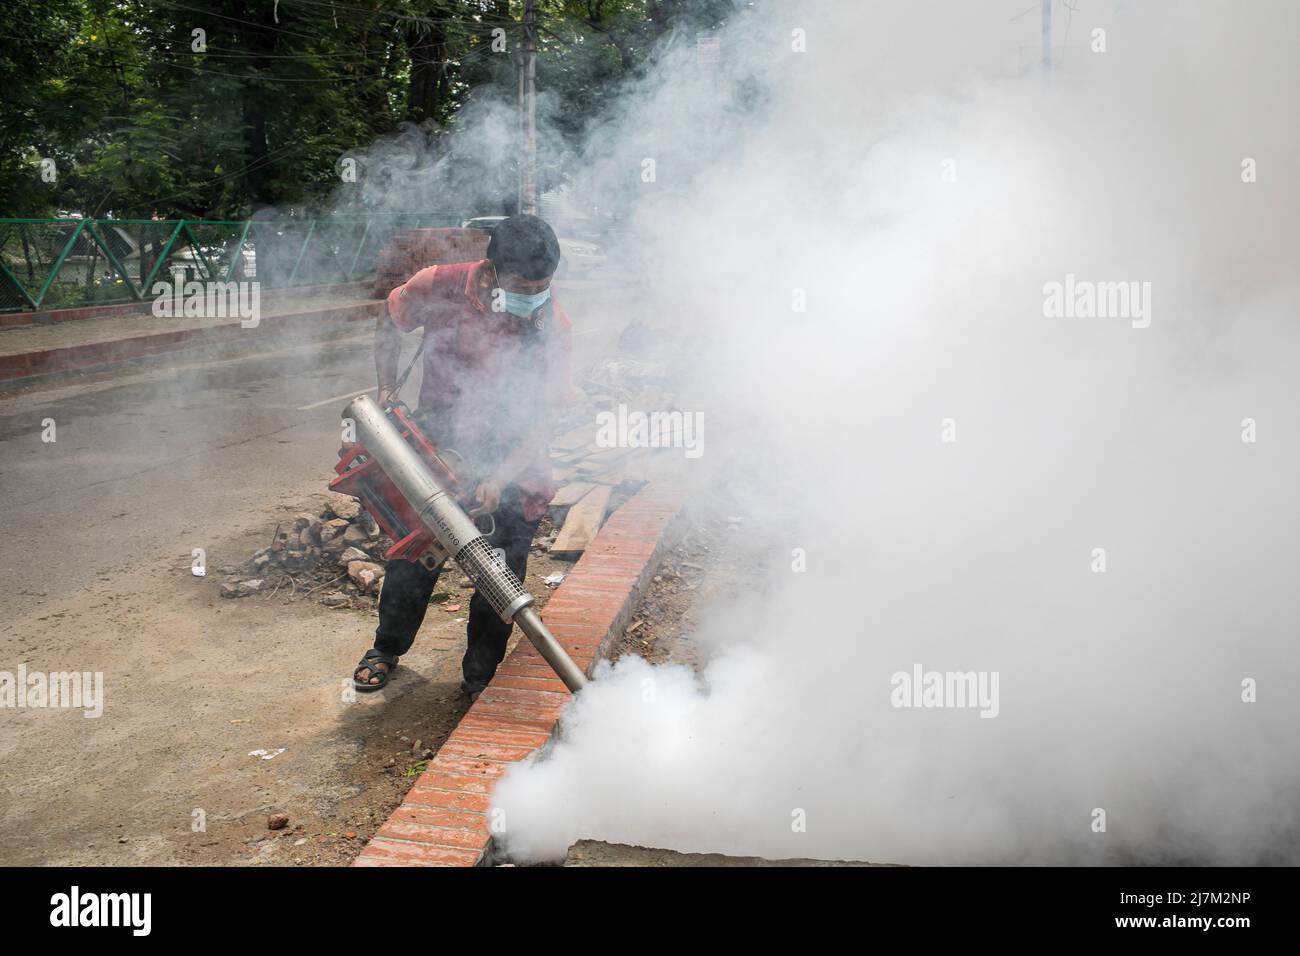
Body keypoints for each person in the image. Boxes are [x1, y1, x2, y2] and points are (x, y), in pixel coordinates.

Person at [351, 214, 571, 699]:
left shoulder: (551, 323)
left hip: (512, 451)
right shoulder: (441, 284)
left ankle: (479, 677)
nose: (534, 294)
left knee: (501, 572)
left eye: (543, 284)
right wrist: (387, 388)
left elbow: (544, 416)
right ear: (492, 271)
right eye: (524, 284)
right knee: (415, 556)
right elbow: (390, 324)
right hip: (440, 439)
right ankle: (386, 649)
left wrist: (502, 474)